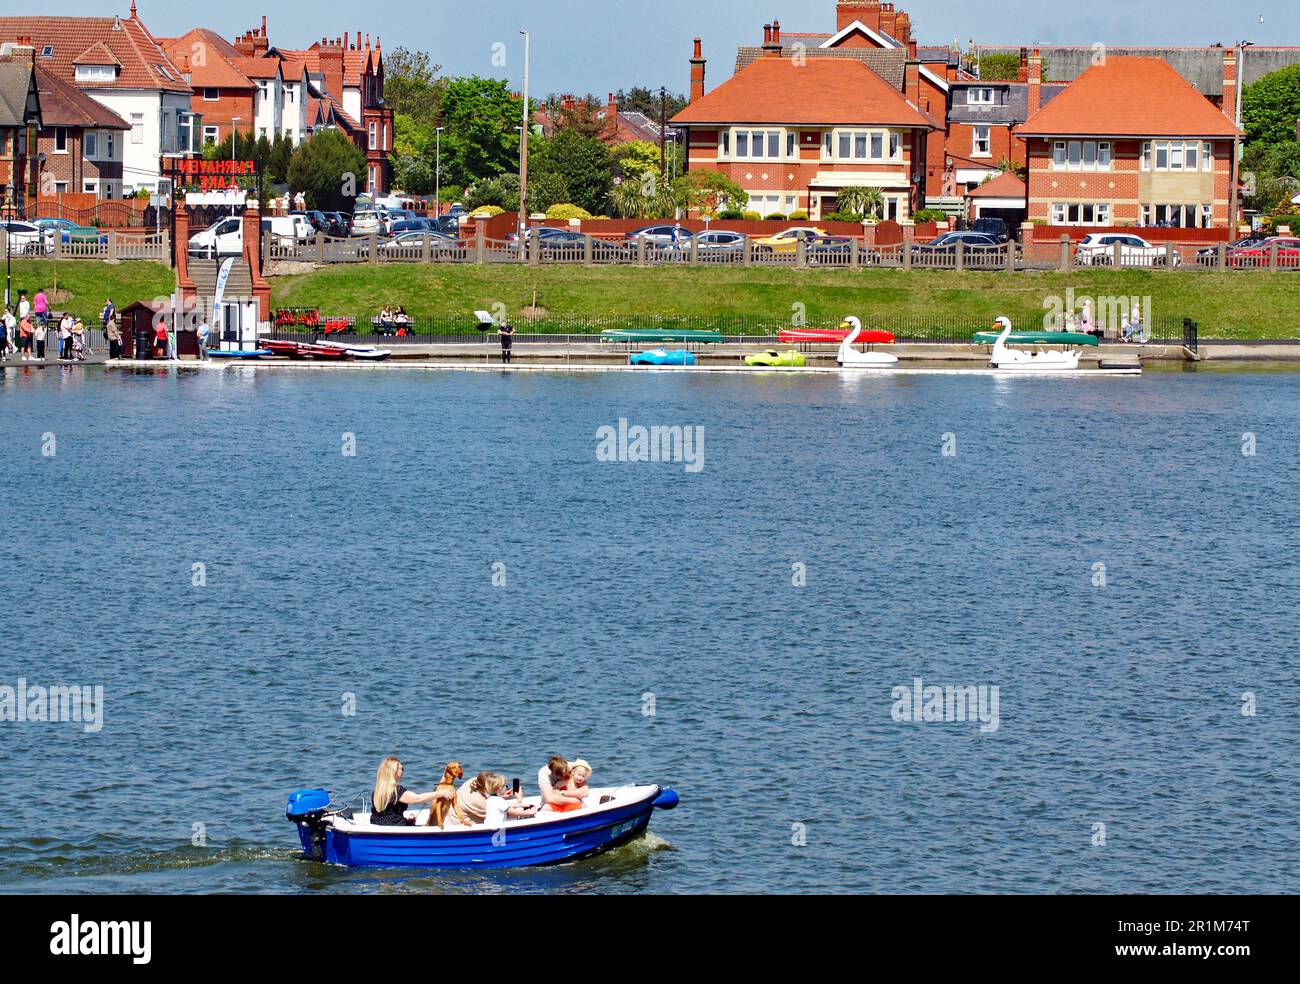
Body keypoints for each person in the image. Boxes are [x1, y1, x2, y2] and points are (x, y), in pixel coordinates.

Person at [369, 755, 453, 827]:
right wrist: (441, 793)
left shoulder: (377, 792)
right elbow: (419, 798)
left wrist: (408, 821)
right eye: (401, 769)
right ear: (394, 771)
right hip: (396, 828)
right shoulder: (397, 791)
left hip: (377, 825)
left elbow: (387, 814)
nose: (403, 771)